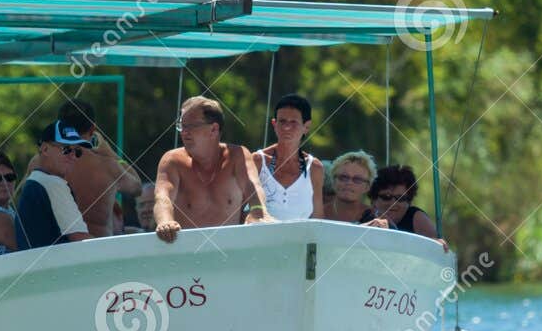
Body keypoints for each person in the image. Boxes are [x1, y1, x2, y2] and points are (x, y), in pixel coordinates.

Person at [154, 95, 270, 243]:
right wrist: (165, 222)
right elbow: (163, 197)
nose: (184, 132)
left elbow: (253, 187)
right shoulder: (172, 160)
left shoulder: (238, 155)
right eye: (182, 126)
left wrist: (258, 211)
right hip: (185, 254)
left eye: (191, 126)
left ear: (214, 129)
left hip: (229, 253)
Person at [29, 100, 141, 238]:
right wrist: (111, 153)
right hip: (98, 249)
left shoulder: (39, 161)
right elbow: (137, 187)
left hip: (56, 252)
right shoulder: (109, 166)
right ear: (93, 129)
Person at [14, 121, 93, 248]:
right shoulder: (52, 183)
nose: (73, 156)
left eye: (77, 152)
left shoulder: (35, 181)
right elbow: (81, 240)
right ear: (45, 149)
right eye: (66, 149)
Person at [250, 93, 324, 221]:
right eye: (282, 121)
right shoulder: (257, 161)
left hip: (300, 240)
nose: (286, 127)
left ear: (306, 127)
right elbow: (239, 209)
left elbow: (317, 218)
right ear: (274, 124)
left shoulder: (315, 168)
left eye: (293, 122)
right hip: (259, 239)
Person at [363, 164, 444, 245]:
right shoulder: (364, 217)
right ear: (373, 200)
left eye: (400, 198)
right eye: (386, 197)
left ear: (409, 202)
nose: (393, 203)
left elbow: (436, 248)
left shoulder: (417, 218)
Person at [323, 151, 377, 224]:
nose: (349, 183)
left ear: (367, 187)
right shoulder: (316, 214)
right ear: (333, 181)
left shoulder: (377, 219)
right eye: (343, 177)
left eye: (358, 179)